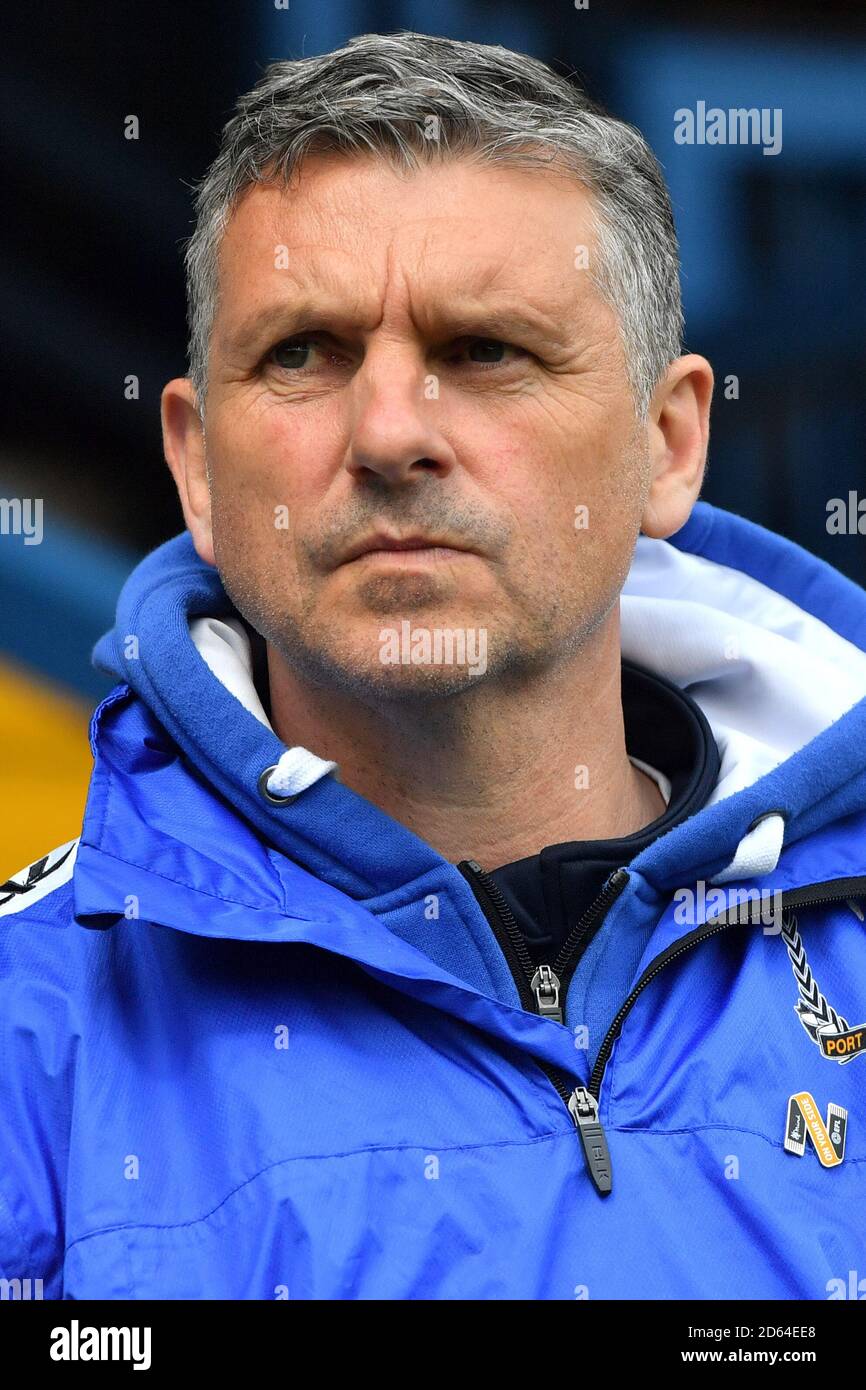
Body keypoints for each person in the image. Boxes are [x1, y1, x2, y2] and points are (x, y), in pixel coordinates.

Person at [3, 30, 866, 1301]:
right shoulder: (33, 1026)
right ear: (192, 461)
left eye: (484, 352)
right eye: (301, 353)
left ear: (666, 444)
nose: (390, 433)